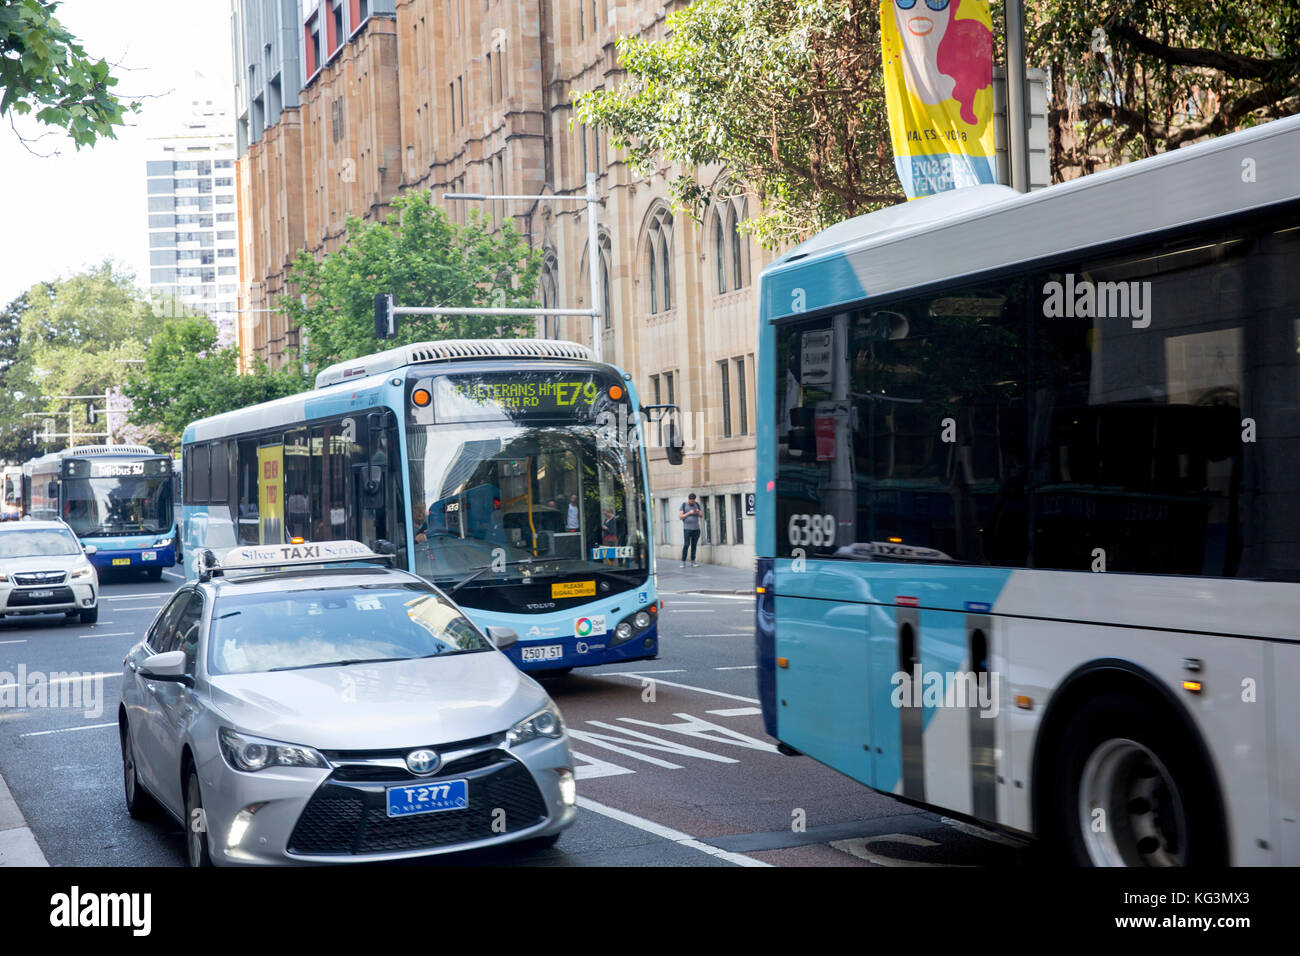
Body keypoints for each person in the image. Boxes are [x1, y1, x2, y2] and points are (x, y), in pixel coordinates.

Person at [679, 493, 702, 567]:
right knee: (686, 545)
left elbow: (701, 516)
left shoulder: (697, 505)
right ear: (688, 499)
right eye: (691, 500)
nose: (692, 502)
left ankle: (693, 562)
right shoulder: (684, 505)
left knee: (694, 546)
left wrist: (698, 512)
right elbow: (681, 517)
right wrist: (689, 513)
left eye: (693, 500)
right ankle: (683, 562)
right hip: (687, 529)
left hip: (696, 529)